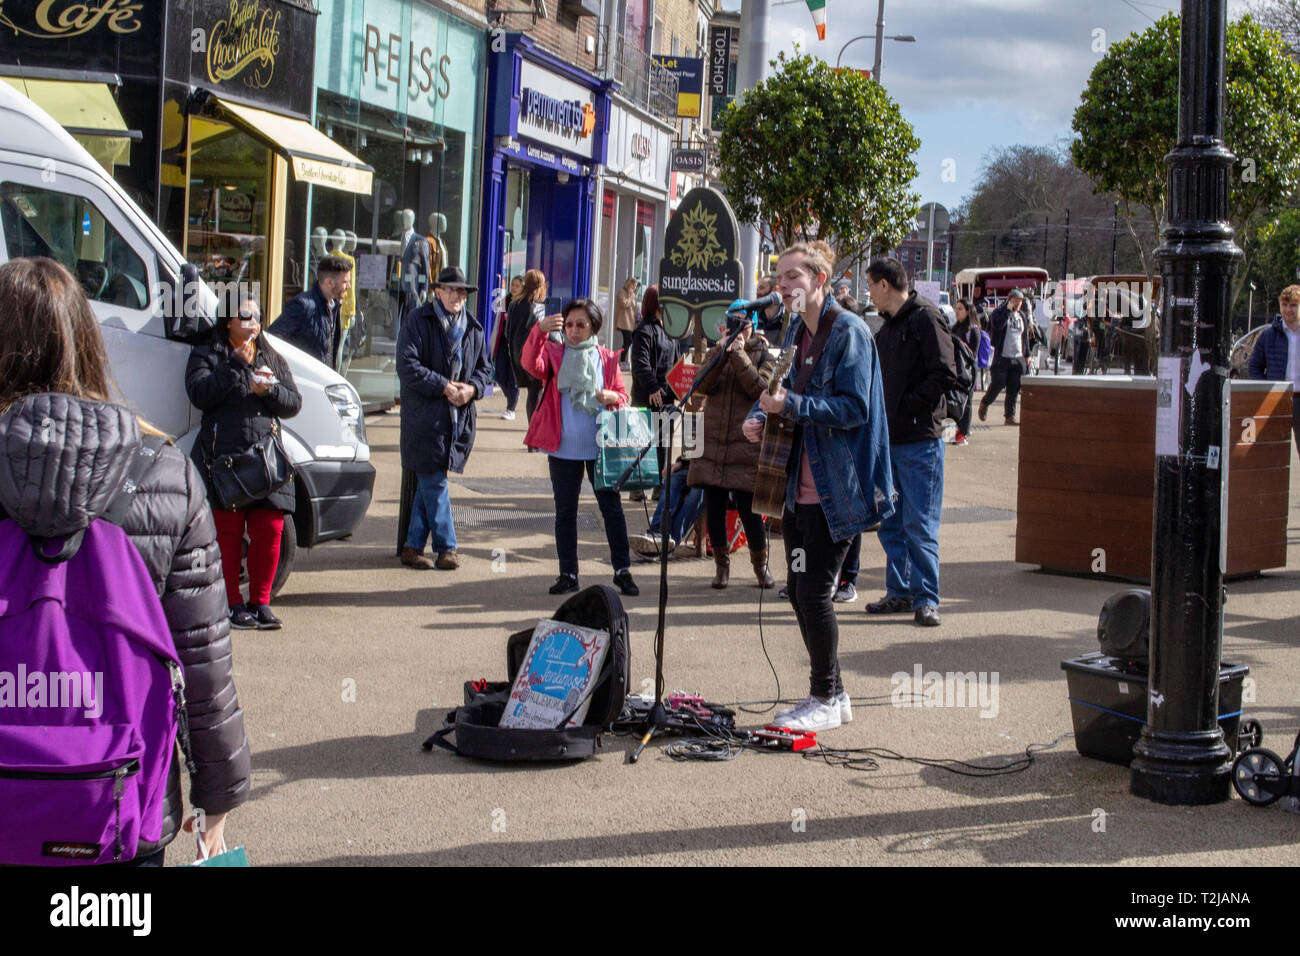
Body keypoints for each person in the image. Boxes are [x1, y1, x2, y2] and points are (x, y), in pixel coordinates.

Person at [0, 256, 249, 864]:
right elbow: (203, 658)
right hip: (121, 804)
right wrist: (218, 793)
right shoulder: (164, 475)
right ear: (89, 347)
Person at [742, 241, 895, 733]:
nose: (783, 285)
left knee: (813, 594)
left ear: (819, 280)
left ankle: (824, 696)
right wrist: (755, 416)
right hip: (798, 487)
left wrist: (792, 408)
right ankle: (835, 693)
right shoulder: (793, 330)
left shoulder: (847, 331)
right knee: (799, 589)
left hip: (837, 489)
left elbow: (855, 408)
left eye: (793, 277)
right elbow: (774, 387)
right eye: (780, 277)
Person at [186, 295, 303, 629]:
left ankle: (260, 602)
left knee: (270, 529)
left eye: (257, 317)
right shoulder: (208, 354)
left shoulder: (271, 356)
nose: (253, 323)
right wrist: (235, 365)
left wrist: (269, 391)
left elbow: (293, 403)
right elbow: (199, 393)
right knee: (227, 533)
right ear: (228, 322)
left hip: (266, 460)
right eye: (245, 316)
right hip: (223, 458)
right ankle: (232, 603)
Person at [522, 299, 639, 597]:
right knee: (565, 513)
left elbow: (623, 399)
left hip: (601, 449)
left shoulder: (607, 358)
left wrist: (612, 395)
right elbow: (529, 365)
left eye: (581, 325)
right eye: (570, 324)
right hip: (562, 448)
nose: (574, 331)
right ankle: (568, 573)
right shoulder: (554, 352)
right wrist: (538, 331)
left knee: (611, 510)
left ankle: (622, 570)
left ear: (594, 327)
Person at [865, 256, 957, 628]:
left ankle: (926, 599)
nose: (869, 294)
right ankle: (900, 592)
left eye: (871, 285)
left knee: (919, 523)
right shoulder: (887, 329)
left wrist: (908, 407)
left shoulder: (925, 317)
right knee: (891, 523)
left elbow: (945, 373)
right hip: (892, 442)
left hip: (920, 441)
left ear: (885, 285)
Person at [396, 267, 493, 571]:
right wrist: (443, 385)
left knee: (431, 480)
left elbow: (486, 370)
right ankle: (447, 547)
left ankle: (412, 547)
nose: (456, 296)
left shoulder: (474, 328)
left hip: (458, 419)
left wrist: (472, 389)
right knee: (435, 480)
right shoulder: (418, 321)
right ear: (437, 291)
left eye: (461, 292)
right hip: (424, 418)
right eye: (450, 290)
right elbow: (407, 365)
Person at [690, 310, 777, 589]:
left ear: (753, 326)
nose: (739, 331)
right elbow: (701, 385)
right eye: (733, 325)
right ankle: (721, 566)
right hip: (714, 441)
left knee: (749, 509)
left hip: (745, 444)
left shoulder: (764, 355)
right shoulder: (719, 350)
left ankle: (760, 566)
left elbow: (762, 390)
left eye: (744, 325)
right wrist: (721, 352)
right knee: (713, 506)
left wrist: (739, 355)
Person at [268, 254, 352, 369]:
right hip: (303, 381)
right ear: (330, 282)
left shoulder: (334, 307)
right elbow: (272, 339)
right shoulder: (303, 306)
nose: (349, 286)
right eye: (345, 282)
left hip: (322, 380)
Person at [1248, 283, 1300, 458]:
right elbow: (1254, 366)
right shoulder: (1268, 336)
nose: (1288, 310)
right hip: (1276, 400)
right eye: (1284, 305)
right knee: (1273, 455)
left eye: (1293, 305)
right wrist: (1265, 389)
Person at [630, 457, 706, 558]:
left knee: (696, 494)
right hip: (691, 466)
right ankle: (656, 532)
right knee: (672, 481)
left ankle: (669, 543)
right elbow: (690, 447)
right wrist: (681, 462)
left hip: (712, 471)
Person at [979, 288, 1031, 426]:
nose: (1018, 304)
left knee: (1014, 387)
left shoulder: (1022, 316)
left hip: (1017, 356)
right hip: (1002, 356)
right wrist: (1007, 311)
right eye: (1015, 301)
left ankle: (1010, 416)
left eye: (1020, 302)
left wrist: (1027, 354)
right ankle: (985, 402)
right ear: (1009, 300)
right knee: (998, 383)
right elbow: (996, 327)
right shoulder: (999, 313)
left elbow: (1024, 337)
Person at [506, 269, 549, 425]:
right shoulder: (541, 306)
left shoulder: (514, 304)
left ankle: (533, 432)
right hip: (535, 352)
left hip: (518, 352)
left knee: (533, 391)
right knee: (536, 390)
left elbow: (508, 331)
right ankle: (534, 432)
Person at [951, 297, 982, 445]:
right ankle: (953, 431)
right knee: (953, 401)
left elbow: (972, 354)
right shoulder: (955, 328)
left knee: (966, 402)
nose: (957, 312)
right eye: (956, 308)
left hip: (967, 372)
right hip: (955, 370)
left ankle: (963, 432)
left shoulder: (973, 330)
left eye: (960, 309)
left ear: (968, 311)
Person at [493, 275, 523, 420]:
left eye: (517, 285)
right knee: (499, 375)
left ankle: (511, 408)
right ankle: (510, 396)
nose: (513, 288)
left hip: (516, 346)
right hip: (502, 344)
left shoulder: (524, 304)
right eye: (512, 285)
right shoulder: (505, 301)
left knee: (513, 378)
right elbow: (498, 323)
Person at [614, 277, 639, 367]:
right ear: (630, 284)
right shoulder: (622, 292)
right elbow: (623, 304)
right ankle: (622, 361)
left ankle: (623, 361)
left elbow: (635, 307)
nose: (635, 288)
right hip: (623, 322)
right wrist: (629, 296)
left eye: (636, 286)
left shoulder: (633, 294)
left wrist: (638, 314)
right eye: (634, 285)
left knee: (628, 341)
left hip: (631, 322)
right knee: (628, 340)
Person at [755, 273, 787, 340]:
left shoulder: (788, 319)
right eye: (757, 289)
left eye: (761, 288)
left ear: (776, 289)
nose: (758, 293)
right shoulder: (753, 316)